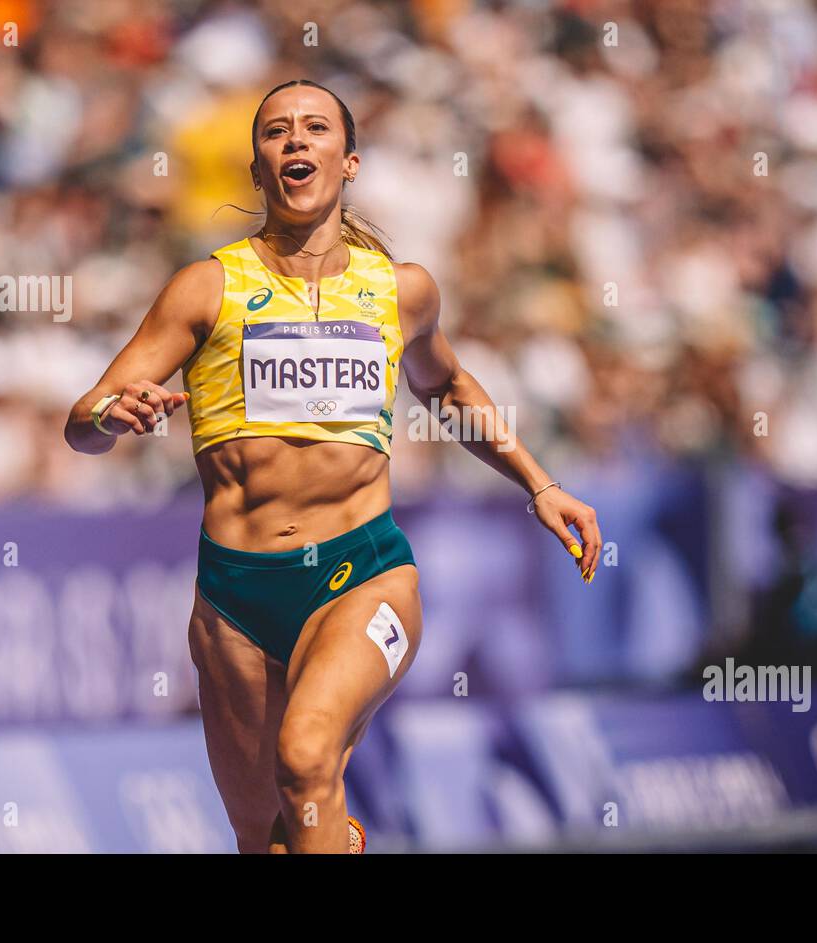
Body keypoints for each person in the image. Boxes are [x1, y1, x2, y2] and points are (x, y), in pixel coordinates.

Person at [63, 79, 602, 853]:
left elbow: (445, 383)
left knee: (306, 753)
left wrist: (540, 484)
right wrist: (108, 417)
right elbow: (81, 422)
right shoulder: (206, 289)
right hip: (235, 599)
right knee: (270, 838)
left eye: (314, 128)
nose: (294, 141)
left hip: (363, 572)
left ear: (348, 161)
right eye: (276, 132)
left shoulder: (400, 290)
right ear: (257, 169)